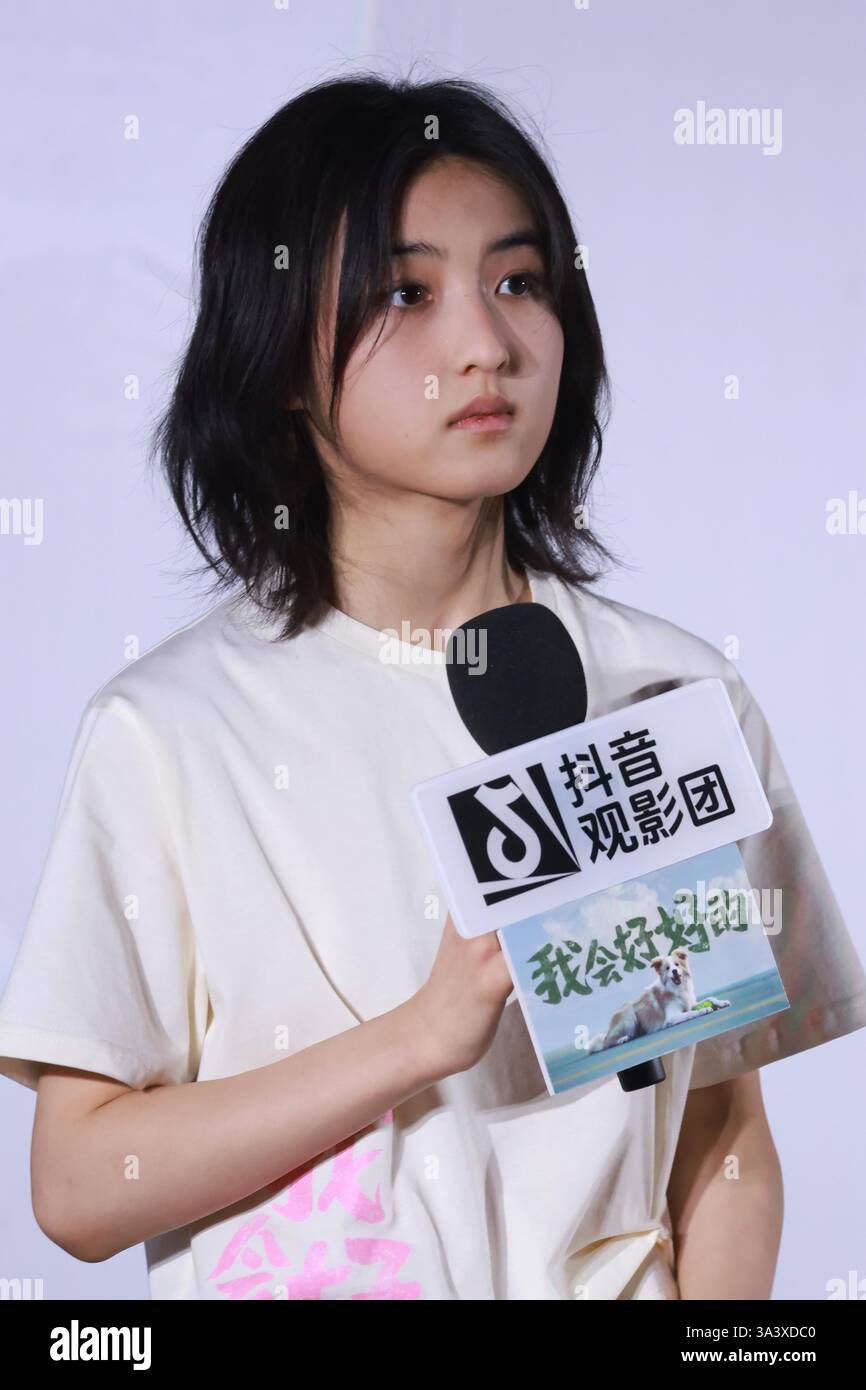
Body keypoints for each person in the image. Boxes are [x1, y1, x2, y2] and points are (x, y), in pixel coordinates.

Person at [1, 73, 864, 1302]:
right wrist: (414, 1040)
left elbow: (719, 1141)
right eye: (408, 294)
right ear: (285, 360)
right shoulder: (171, 731)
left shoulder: (659, 696)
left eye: (518, 282)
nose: (487, 344)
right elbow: (80, 1188)